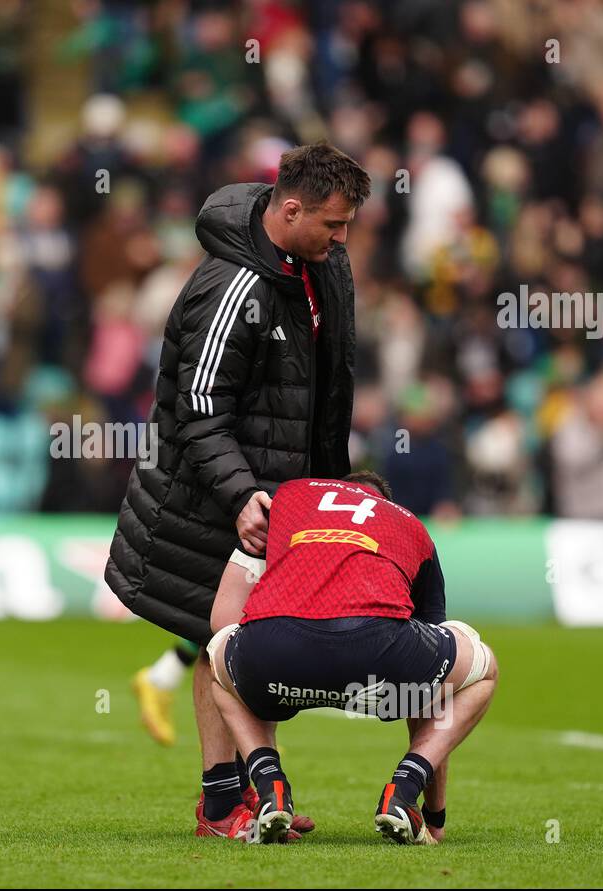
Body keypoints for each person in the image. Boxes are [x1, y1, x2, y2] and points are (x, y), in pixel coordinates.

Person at [105, 142, 371, 837]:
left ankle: (264, 792)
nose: (343, 239)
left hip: (288, 494)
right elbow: (197, 407)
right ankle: (224, 804)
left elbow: (328, 379)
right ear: (290, 209)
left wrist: (323, 484)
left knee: (257, 644)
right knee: (219, 638)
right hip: (215, 499)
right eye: (334, 225)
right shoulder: (233, 286)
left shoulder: (323, 263)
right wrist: (241, 494)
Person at [203, 472, 499, 844]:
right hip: (378, 663)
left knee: (218, 659)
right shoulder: (409, 524)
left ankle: (270, 787)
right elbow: (431, 697)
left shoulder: (288, 498)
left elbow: (221, 622)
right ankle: (404, 791)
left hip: (277, 655)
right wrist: (434, 813)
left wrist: (255, 668)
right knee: (483, 669)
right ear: (382, 501)